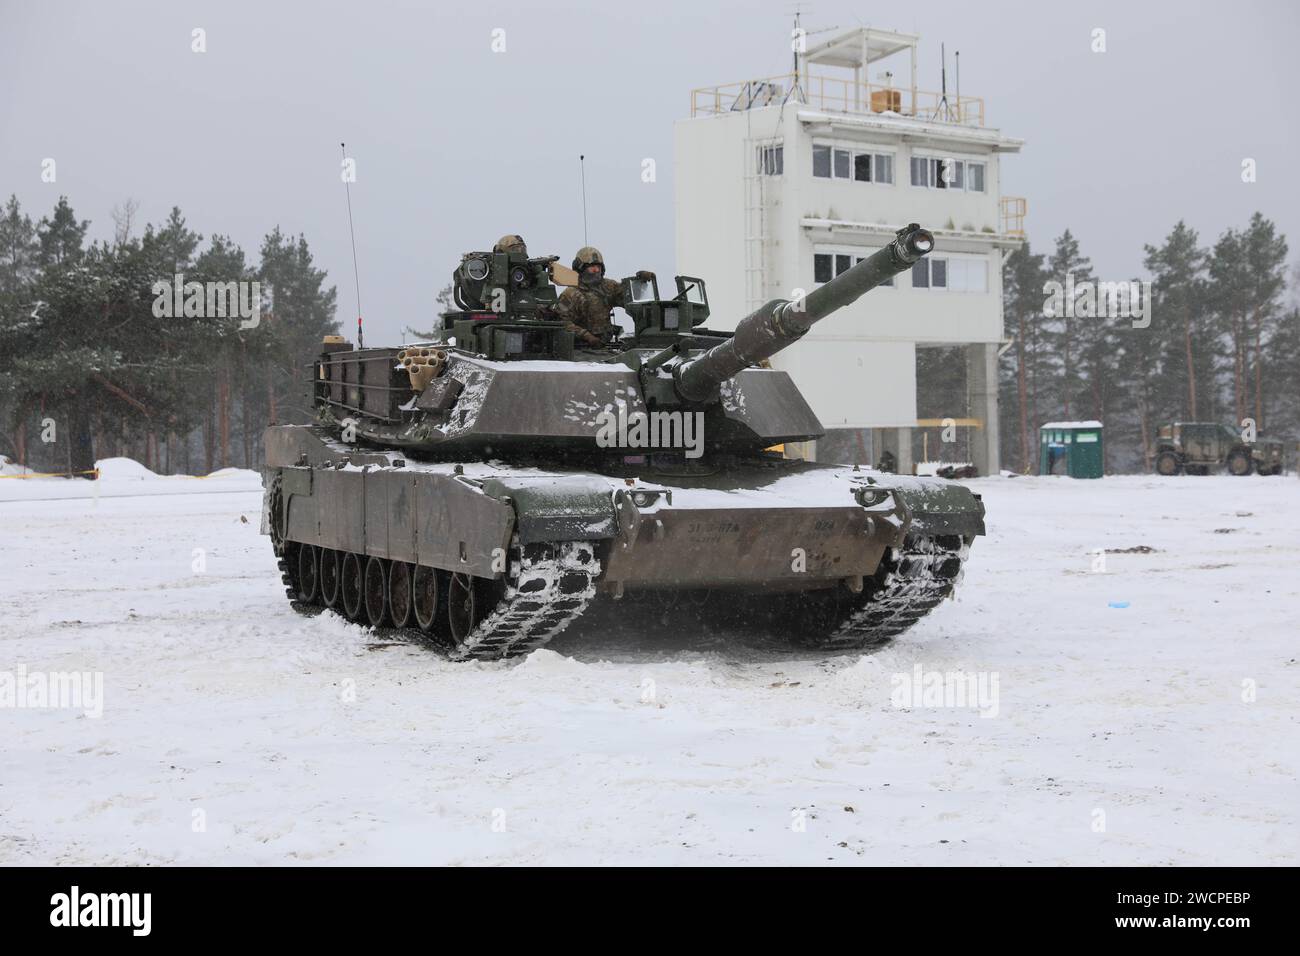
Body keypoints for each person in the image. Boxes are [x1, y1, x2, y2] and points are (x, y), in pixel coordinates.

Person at [554, 246, 650, 346]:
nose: (596, 270)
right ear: (581, 268)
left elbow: (628, 298)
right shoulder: (571, 293)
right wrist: (586, 336)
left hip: (606, 345)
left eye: (598, 267)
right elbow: (562, 322)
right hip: (580, 348)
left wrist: (639, 282)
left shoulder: (608, 286)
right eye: (592, 267)